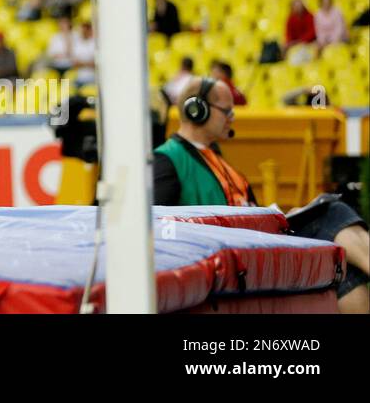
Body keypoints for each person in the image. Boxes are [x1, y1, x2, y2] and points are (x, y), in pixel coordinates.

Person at [153, 76, 369, 314]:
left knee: (342, 262)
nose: (231, 119)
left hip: (249, 241)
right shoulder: (167, 161)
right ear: (197, 110)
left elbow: (247, 208)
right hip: (226, 249)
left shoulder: (218, 162)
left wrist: (283, 214)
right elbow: (159, 228)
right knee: (332, 213)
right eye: (226, 111)